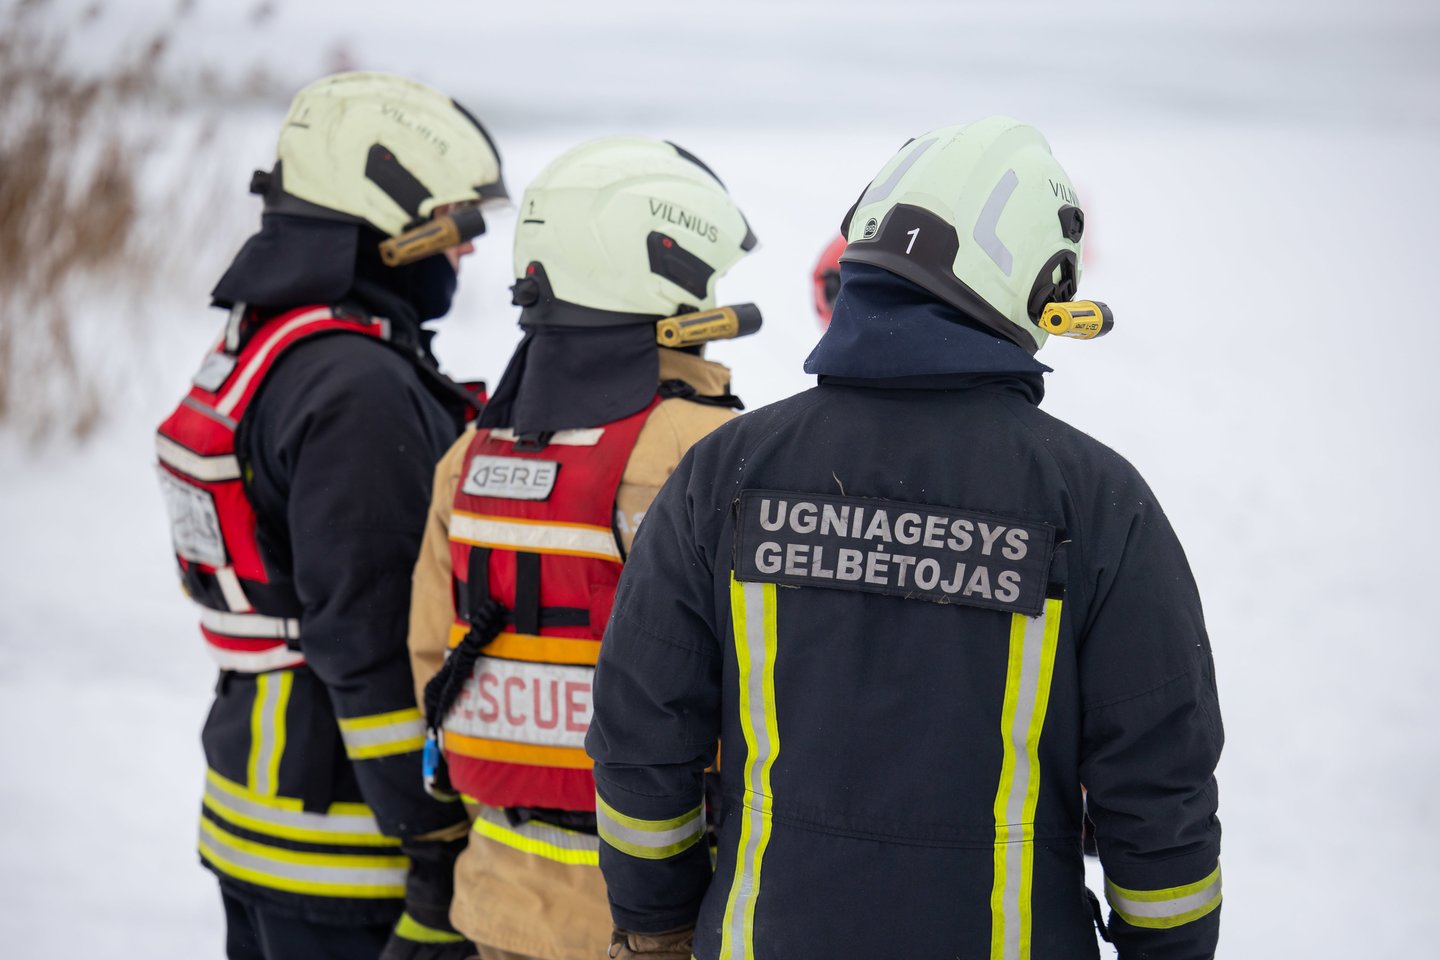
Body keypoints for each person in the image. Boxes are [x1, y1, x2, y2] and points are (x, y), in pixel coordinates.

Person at [586, 116, 1224, 960]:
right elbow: (1159, 790)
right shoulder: (1101, 501)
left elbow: (641, 736)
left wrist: (658, 924)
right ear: (1040, 282)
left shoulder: (722, 472)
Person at [154, 72, 507, 960]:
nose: (465, 254)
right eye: (456, 227)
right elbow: (370, 635)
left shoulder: (276, 341)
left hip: (263, 801)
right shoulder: (358, 388)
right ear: (387, 225)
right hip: (349, 843)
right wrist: (435, 846)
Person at [406, 136, 759, 960]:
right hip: (665, 914)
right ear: (673, 279)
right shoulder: (713, 454)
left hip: (500, 903)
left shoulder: (470, 459)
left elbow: (431, 661)